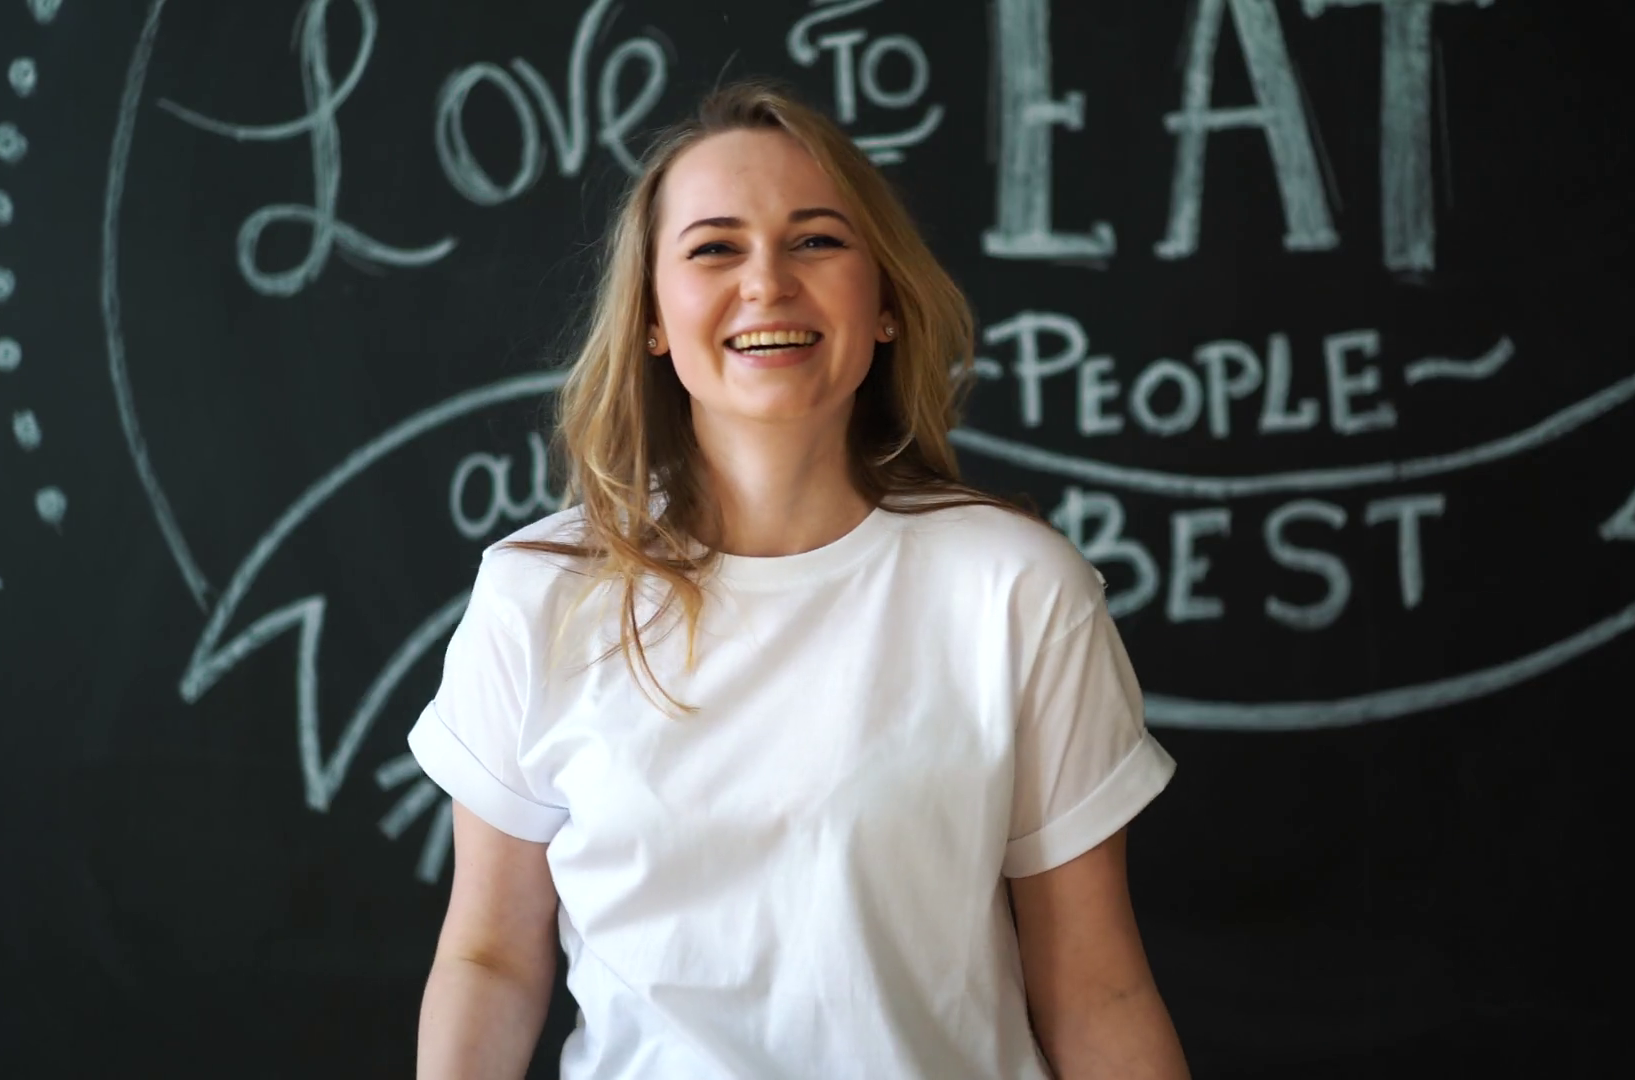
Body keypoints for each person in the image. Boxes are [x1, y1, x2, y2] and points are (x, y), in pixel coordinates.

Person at [408, 77, 1189, 1080]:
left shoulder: (1016, 590)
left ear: (886, 306)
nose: (767, 283)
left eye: (816, 240)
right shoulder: (539, 595)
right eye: (714, 248)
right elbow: (489, 957)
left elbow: (1096, 987)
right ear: (652, 316)